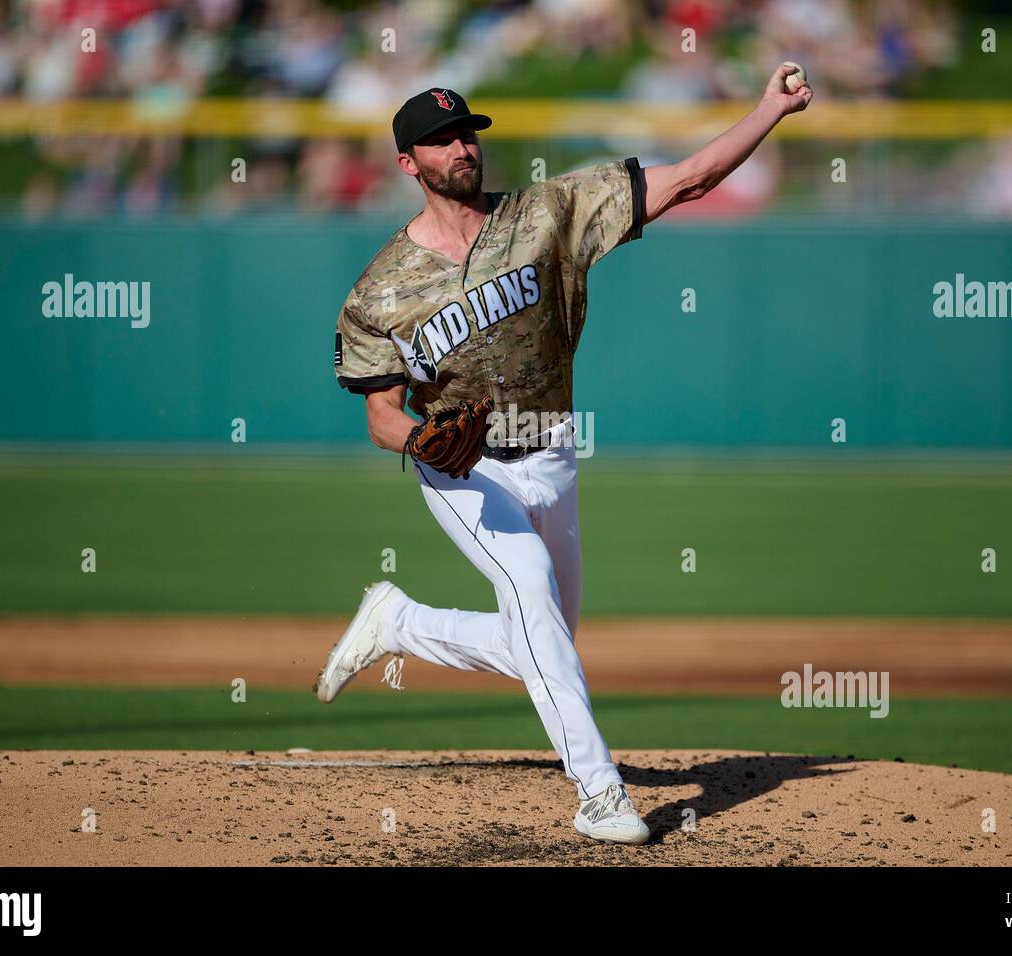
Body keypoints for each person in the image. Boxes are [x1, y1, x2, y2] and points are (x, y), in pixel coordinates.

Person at [319, 68, 812, 845]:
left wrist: (769, 111)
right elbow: (381, 418)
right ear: (408, 163)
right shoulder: (381, 290)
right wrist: (421, 443)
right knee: (532, 592)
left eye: (467, 133)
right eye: (441, 140)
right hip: (462, 468)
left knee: (543, 638)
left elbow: (688, 179)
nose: (461, 147)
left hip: (552, 449)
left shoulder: (548, 212)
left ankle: (401, 622)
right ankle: (599, 791)